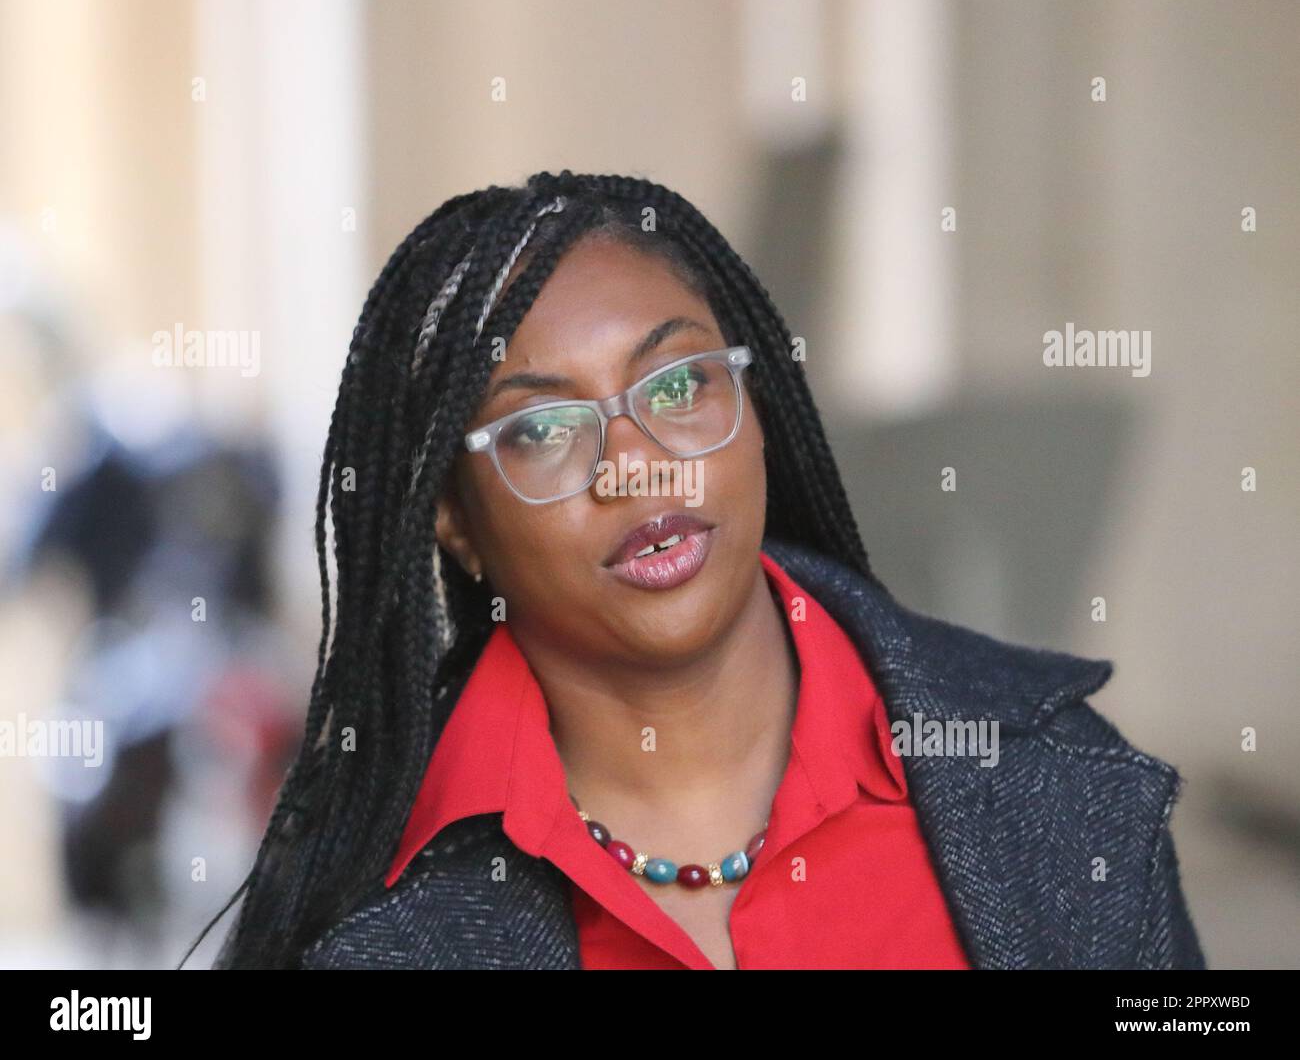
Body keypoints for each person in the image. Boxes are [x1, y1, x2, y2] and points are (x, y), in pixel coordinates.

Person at [188, 170, 1205, 969]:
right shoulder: (366, 910)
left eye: (677, 383)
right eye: (543, 426)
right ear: (455, 521)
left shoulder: (1054, 778)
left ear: (755, 408)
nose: (631, 461)